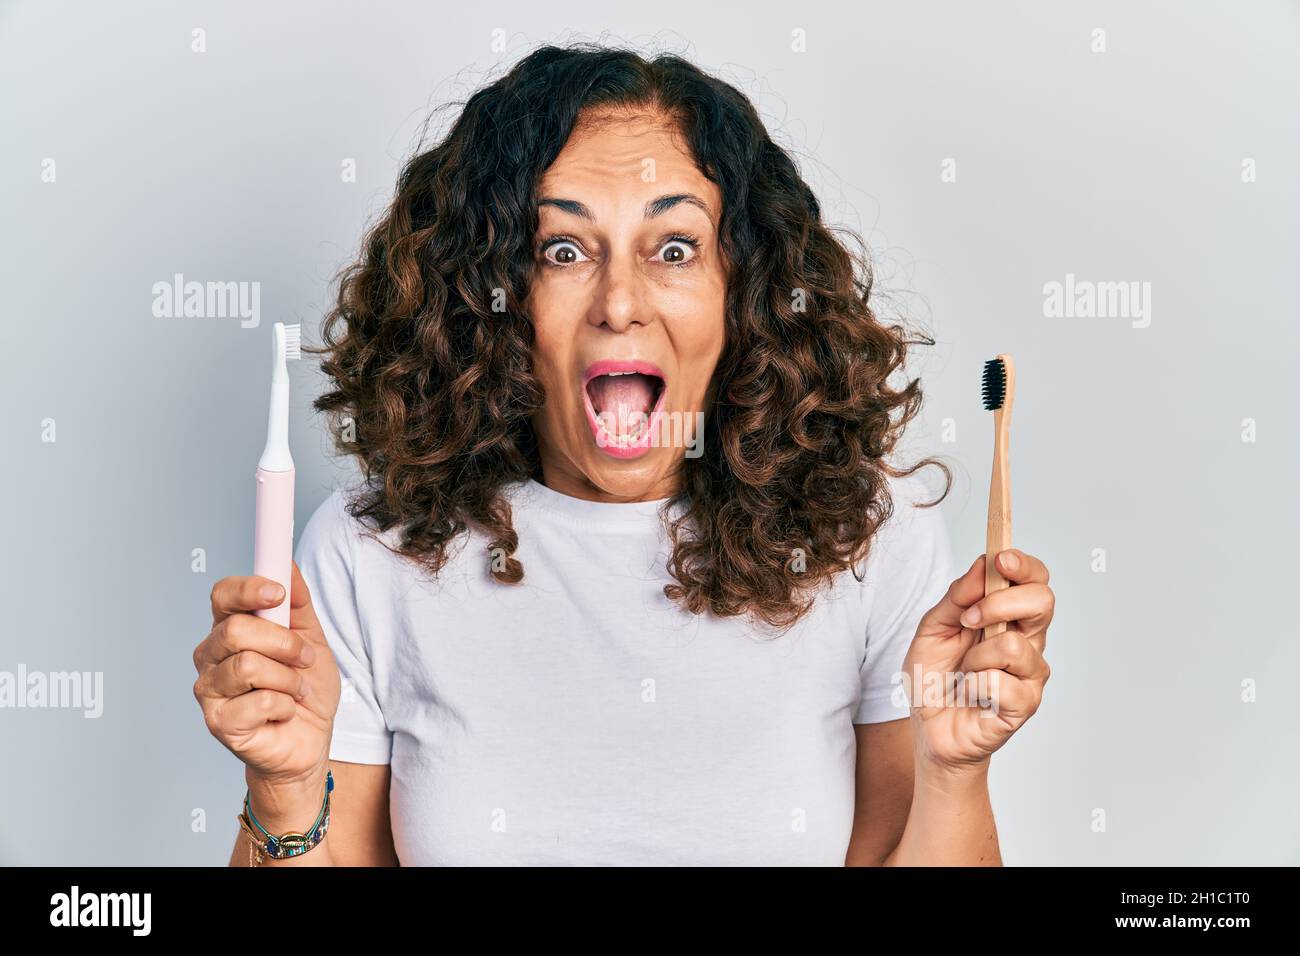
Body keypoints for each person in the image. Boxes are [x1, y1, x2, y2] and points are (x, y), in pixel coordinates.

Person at [192, 44, 1054, 866]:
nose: (619, 302)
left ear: (743, 291)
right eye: (562, 251)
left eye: (673, 249)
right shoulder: (367, 550)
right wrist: (285, 795)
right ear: (492, 301)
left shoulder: (870, 536)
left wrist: (955, 773)